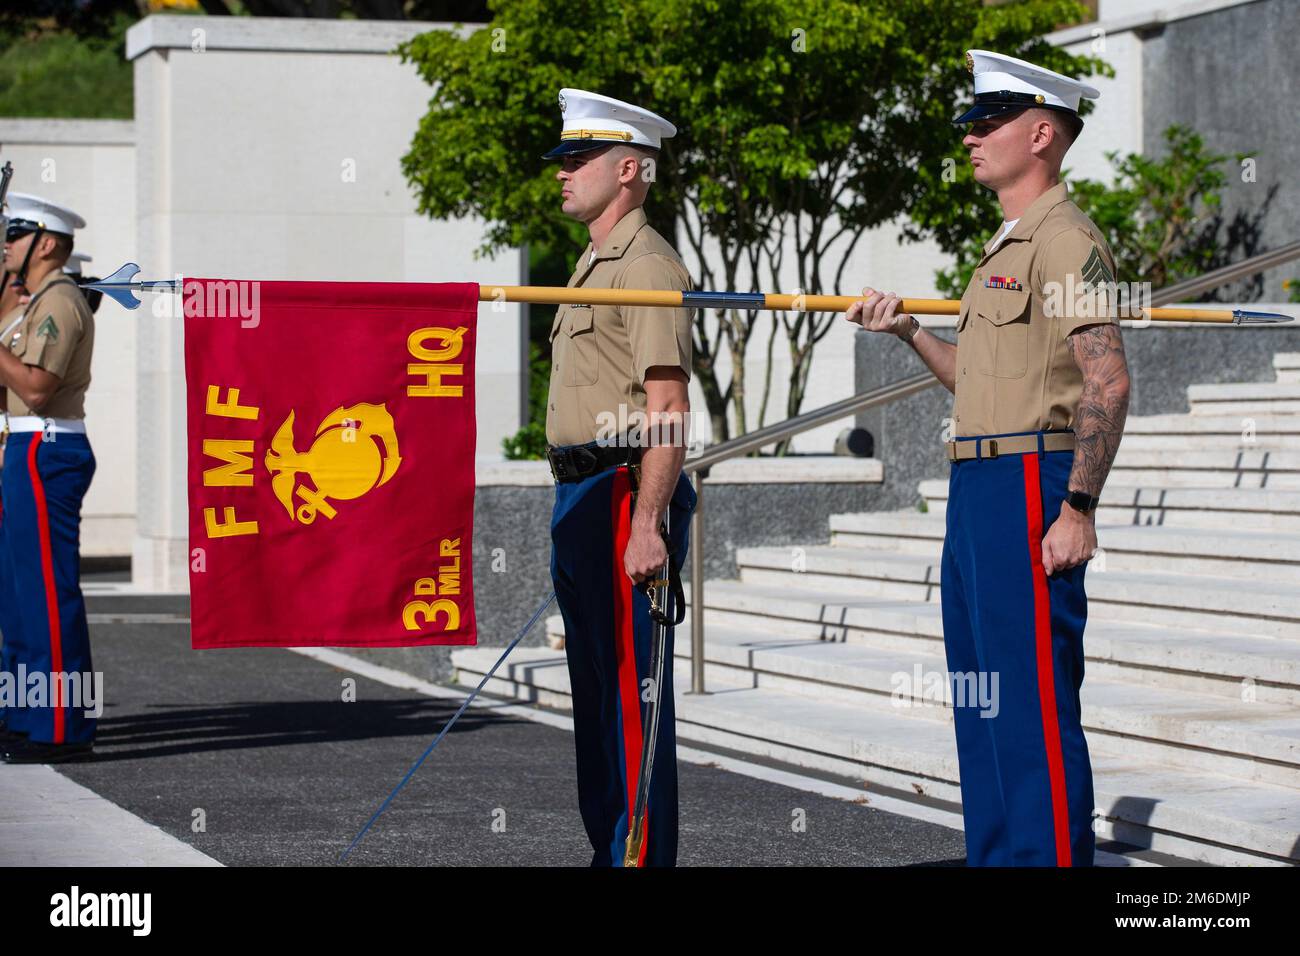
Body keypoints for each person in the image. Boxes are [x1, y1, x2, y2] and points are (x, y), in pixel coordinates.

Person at [846, 50, 1131, 866]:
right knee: (984, 699)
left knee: (1032, 700)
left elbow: (1108, 381)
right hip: (978, 478)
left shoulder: (1067, 239)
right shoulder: (1006, 244)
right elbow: (974, 375)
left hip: (1032, 483)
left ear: (1041, 133)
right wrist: (908, 334)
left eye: (988, 121)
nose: (970, 136)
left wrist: (1078, 509)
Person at [542, 88, 695, 866]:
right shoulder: (594, 259)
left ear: (628, 169)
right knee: (598, 699)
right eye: (563, 158)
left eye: (579, 158)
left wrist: (647, 525)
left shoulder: (647, 263)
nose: (563, 172)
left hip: (623, 493)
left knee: (633, 702)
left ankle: (640, 859)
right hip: (582, 493)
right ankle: (611, 853)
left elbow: (667, 405)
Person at [0, 193, 98, 763]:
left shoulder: (59, 301)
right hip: (23, 446)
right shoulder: (33, 301)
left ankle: (64, 728)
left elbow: (35, 388)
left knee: (47, 599)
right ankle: (25, 716)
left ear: (49, 243)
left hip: (47, 447)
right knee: (17, 601)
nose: (7, 244)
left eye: (17, 233)